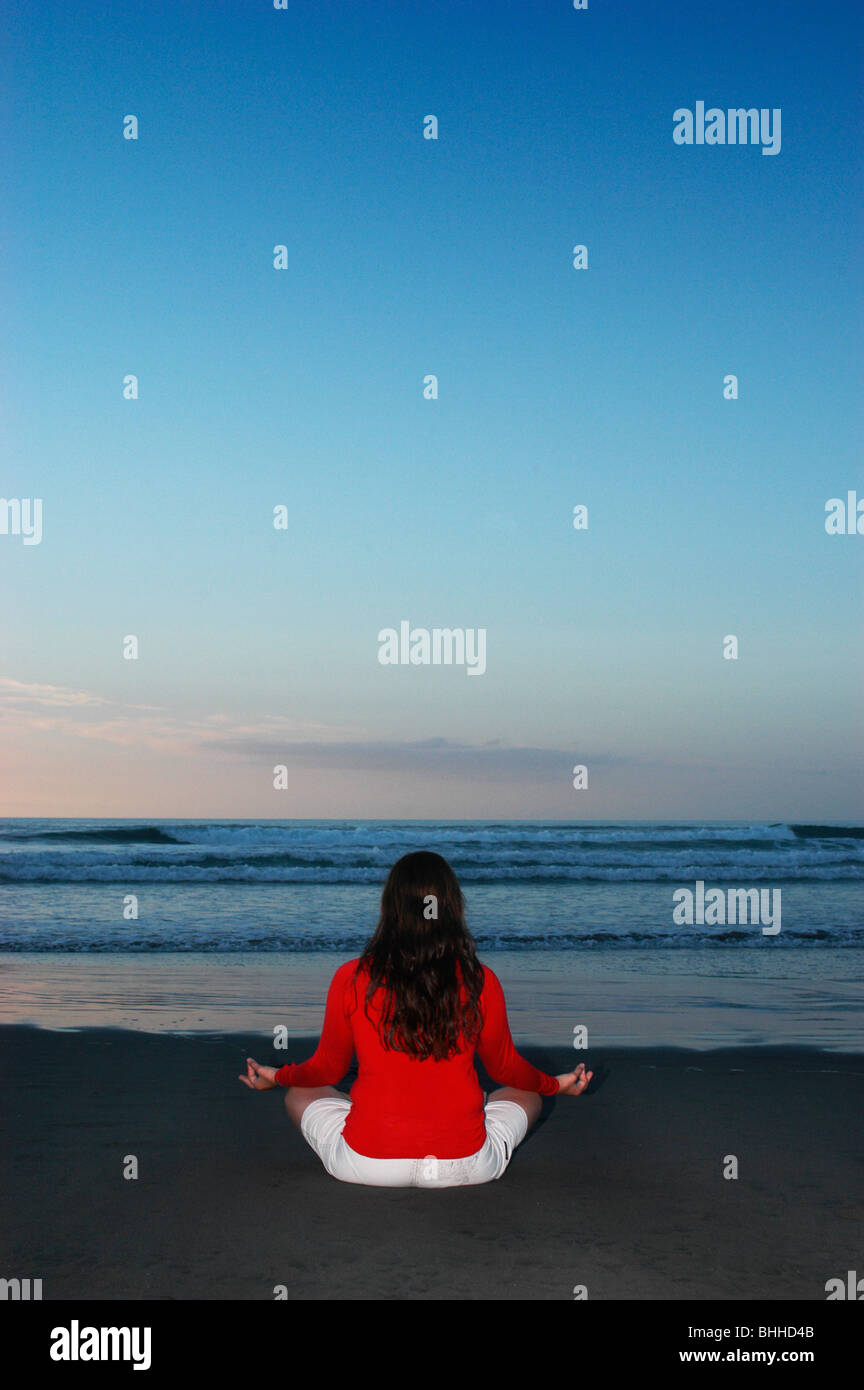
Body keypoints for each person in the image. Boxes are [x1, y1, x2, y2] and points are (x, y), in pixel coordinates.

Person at [239, 850, 591, 1187]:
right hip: (464, 1165)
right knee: (525, 1095)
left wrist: (279, 1076)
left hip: (367, 1164)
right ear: (453, 908)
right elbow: (505, 1070)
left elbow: (327, 1071)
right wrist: (554, 1085)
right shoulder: (479, 979)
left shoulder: (353, 977)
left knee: (300, 1093)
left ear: (391, 909)